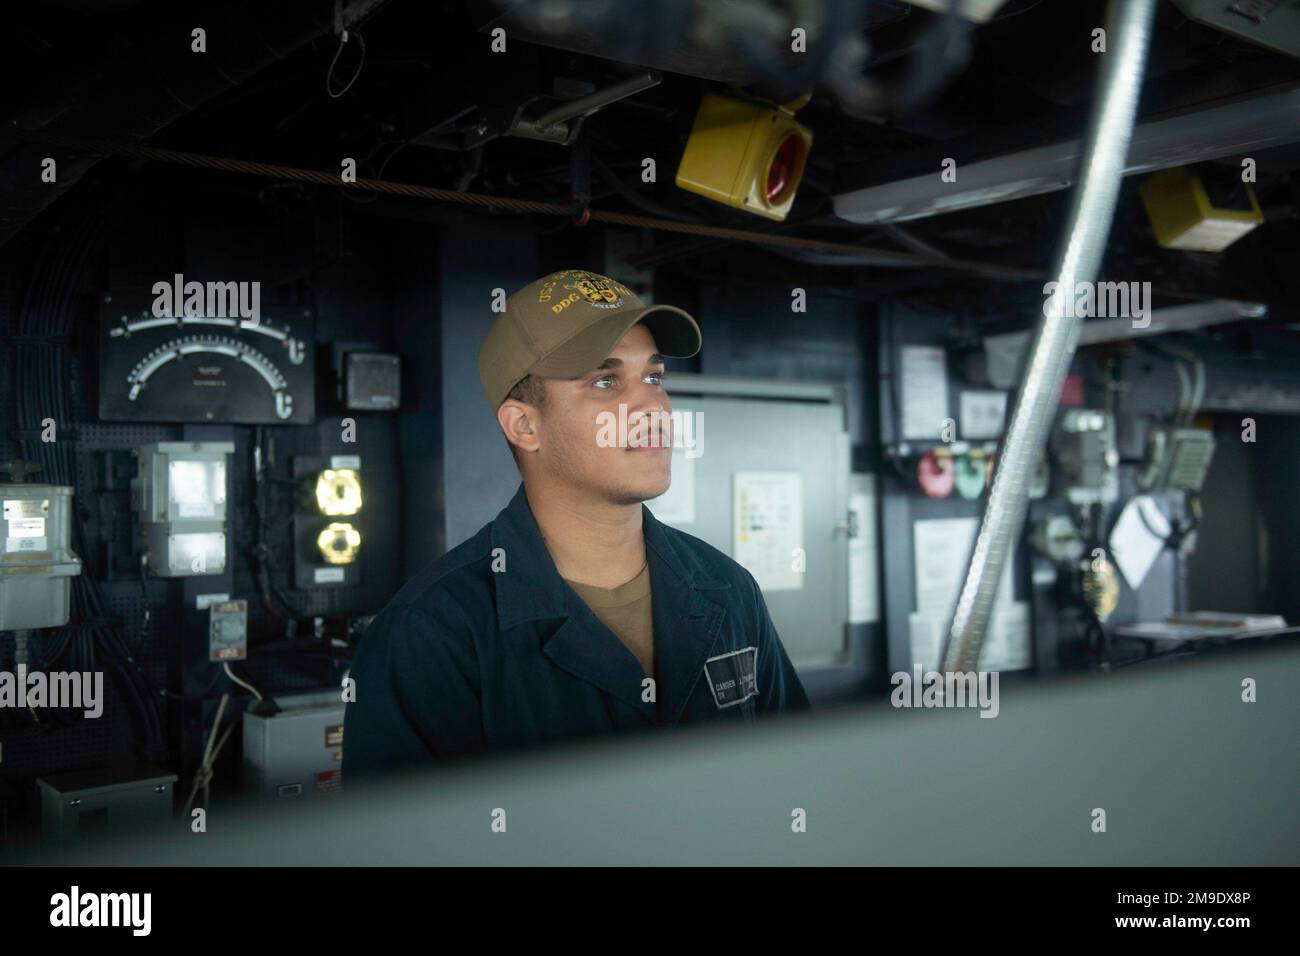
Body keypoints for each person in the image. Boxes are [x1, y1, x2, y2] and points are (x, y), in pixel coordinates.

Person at [343, 269, 809, 777]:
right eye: (605, 382)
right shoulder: (430, 635)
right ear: (525, 425)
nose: (652, 406)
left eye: (654, 377)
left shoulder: (728, 589)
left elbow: (795, 781)